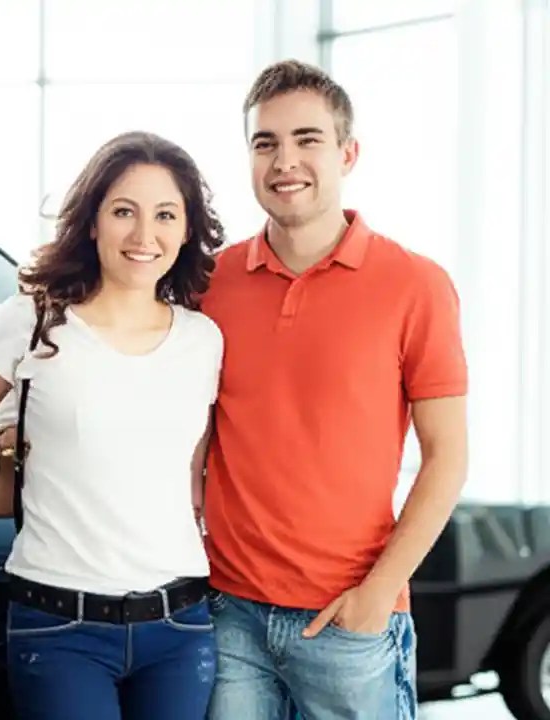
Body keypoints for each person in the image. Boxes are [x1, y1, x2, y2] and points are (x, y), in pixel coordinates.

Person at [201, 59, 469, 720]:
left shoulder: (415, 284)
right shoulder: (211, 283)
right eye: (265, 143)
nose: (284, 159)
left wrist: (380, 592)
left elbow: (448, 457)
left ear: (348, 153)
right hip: (229, 612)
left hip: (350, 618)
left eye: (306, 139)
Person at [0, 130, 226, 720]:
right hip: (59, 627)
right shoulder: (31, 321)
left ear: (187, 228)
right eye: (123, 212)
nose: (144, 236)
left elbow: (194, 479)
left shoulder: (203, 341)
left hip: (180, 626)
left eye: (165, 214)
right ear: (92, 222)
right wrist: (10, 458)